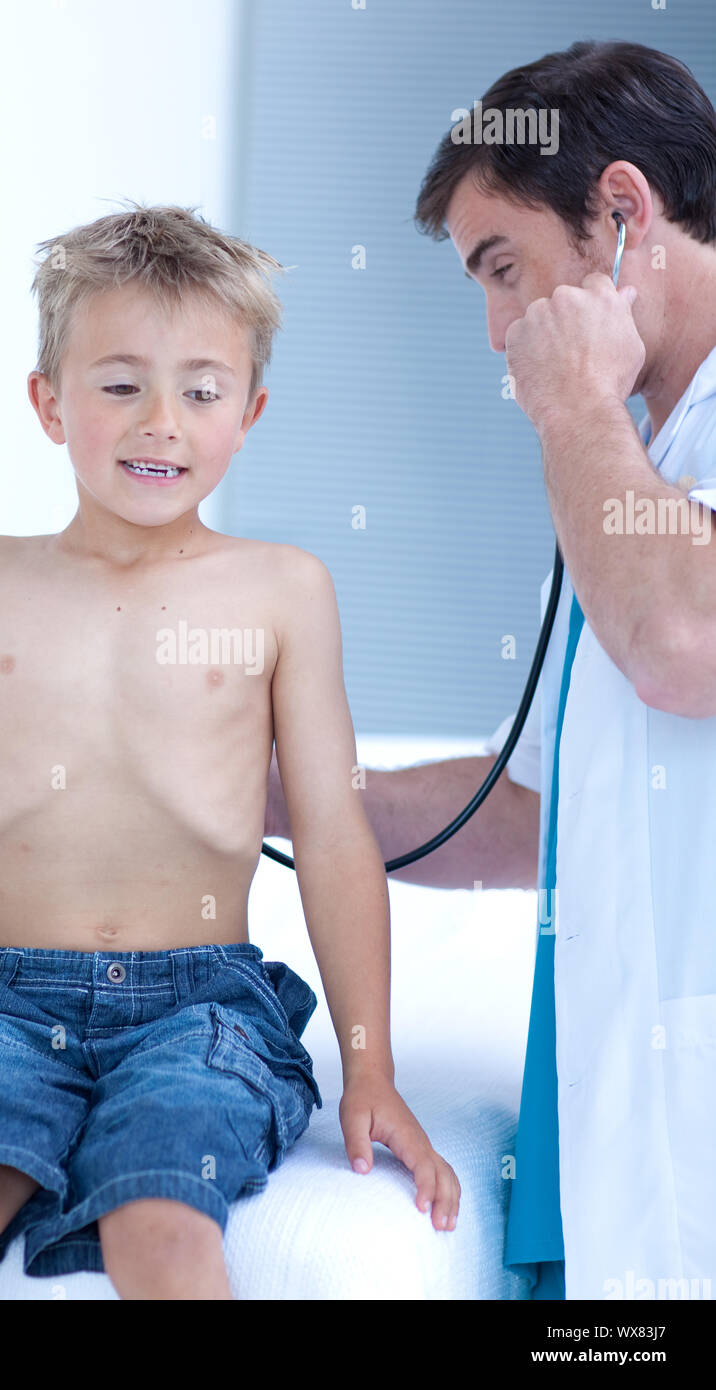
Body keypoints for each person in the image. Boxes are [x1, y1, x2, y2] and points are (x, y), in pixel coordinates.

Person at [0, 202, 460, 1300]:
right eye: (120, 385)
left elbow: (334, 838)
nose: (161, 421)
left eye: (201, 391)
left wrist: (371, 1068)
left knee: (159, 1213)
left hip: (203, 1007)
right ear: (47, 402)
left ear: (248, 412)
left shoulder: (283, 592)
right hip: (4, 1004)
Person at [269, 39, 716, 1302]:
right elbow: (521, 812)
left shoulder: (602, 446)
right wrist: (256, 792)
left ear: (623, 214)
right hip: (632, 1169)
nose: (496, 330)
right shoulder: (625, 471)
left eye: (504, 269)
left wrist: (576, 404)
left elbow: (688, 645)